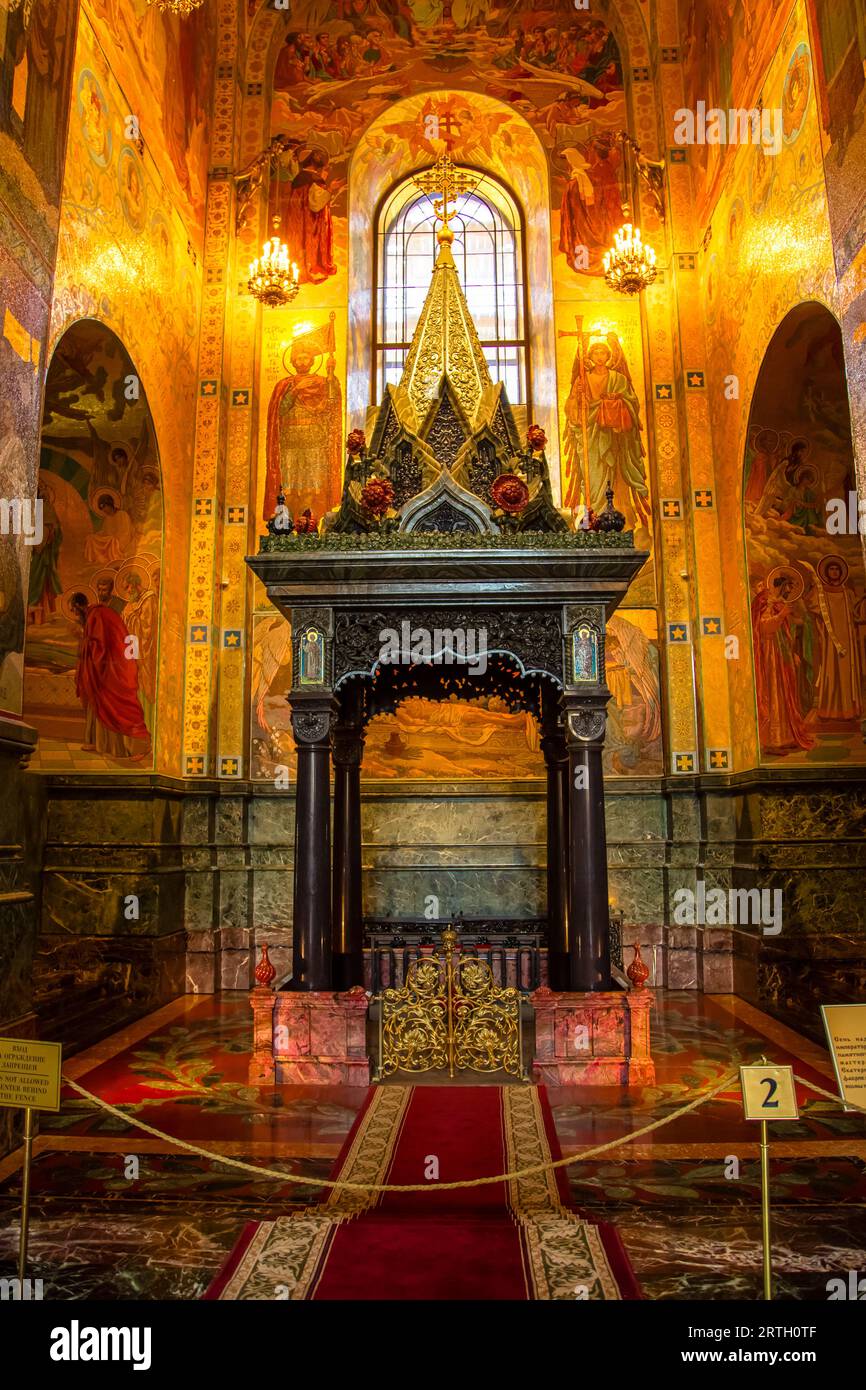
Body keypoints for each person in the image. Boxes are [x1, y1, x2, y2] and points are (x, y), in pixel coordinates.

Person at [72, 586, 150, 759]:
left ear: (79, 606)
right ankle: (98, 742)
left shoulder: (97, 615)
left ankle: (135, 747)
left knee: (118, 705)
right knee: (97, 702)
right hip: (107, 667)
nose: (75, 616)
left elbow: (99, 645)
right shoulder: (96, 615)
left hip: (114, 668)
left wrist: (83, 640)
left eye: (75, 611)